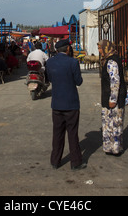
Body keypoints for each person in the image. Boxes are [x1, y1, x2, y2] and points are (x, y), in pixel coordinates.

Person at [46, 38, 86, 171]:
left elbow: (50, 79)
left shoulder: (50, 62)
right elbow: (78, 82)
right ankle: (76, 162)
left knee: (57, 133)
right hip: (71, 104)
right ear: (68, 49)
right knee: (72, 134)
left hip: (57, 103)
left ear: (57, 50)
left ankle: (55, 161)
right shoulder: (73, 62)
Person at [98, 39, 127, 156]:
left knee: (114, 122)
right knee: (109, 123)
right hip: (108, 97)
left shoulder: (111, 62)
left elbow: (115, 82)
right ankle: (110, 147)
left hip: (113, 99)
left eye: (100, 48)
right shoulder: (108, 60)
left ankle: (114, 148)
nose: (99, 51)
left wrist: (113, 99)